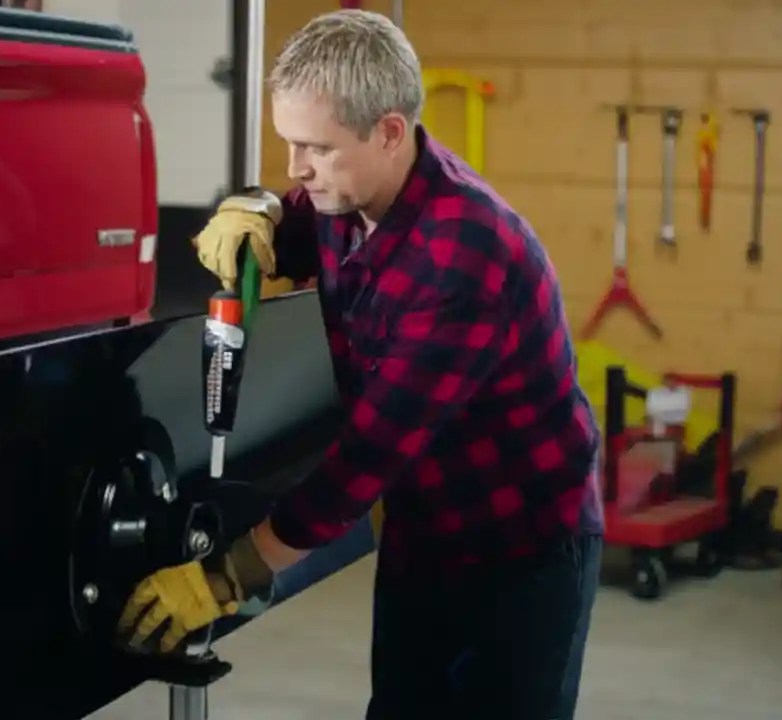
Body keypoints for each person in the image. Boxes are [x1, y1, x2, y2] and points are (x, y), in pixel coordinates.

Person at [117, 9, 604, 719]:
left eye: (315, 148)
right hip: (424, 532)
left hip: (521, 551)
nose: (296, 168)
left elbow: (363, 462)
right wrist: (255, 213)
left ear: (389, 132)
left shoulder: (463, 260)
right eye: (289, 144)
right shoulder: (354, 193)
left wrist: (224, 580)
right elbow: (295, 220)